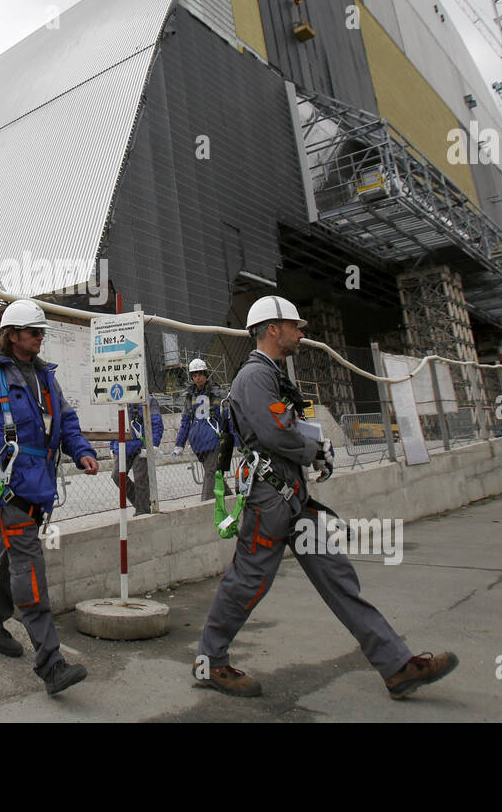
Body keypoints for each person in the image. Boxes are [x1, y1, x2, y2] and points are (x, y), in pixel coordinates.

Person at [192, 295, 457, 700]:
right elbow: (274, 433)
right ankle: (211, 661)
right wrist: (314, 451)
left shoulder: (273, 374)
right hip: (272, 501)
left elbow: (287, 426)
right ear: (273, 329)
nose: (301, 333)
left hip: (292, 499)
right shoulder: (254, 377)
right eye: (295, 326)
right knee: (247, 582)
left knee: (339, 579)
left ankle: (397, 665)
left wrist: (313, 449)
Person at [0, 299, 100, 696]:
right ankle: (50, 663)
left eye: (41, 333)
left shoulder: (46, 378)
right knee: (30, 573)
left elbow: (65, 420)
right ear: (12, 336)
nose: (40, 338)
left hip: (41, 489)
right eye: (34, 332)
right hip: (11, 490)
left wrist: (81, 449)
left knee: (12, 558)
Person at [170, 358, 225, 501]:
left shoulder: (217, 392)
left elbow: (226, 417)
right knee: (212, 472)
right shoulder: (190, 396)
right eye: (194, 375)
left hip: (214, 438)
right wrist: (179, 445)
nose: (197, 378)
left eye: (200, 374)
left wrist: (234, 439)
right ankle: (229, 498)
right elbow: (185, 421)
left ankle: (205, 502)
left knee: (210, 473)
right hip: (198, 441)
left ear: (206, 374)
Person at [114, 395, 164, 516]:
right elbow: (115, 423)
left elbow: (156, 423)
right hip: (124, 444)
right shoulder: (120, 399)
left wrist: (153, 444)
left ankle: (142, 510)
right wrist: (113, 446)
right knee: (117, 475)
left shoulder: (149, 400)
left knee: (140, 477)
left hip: (142, 445)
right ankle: (142, 502)